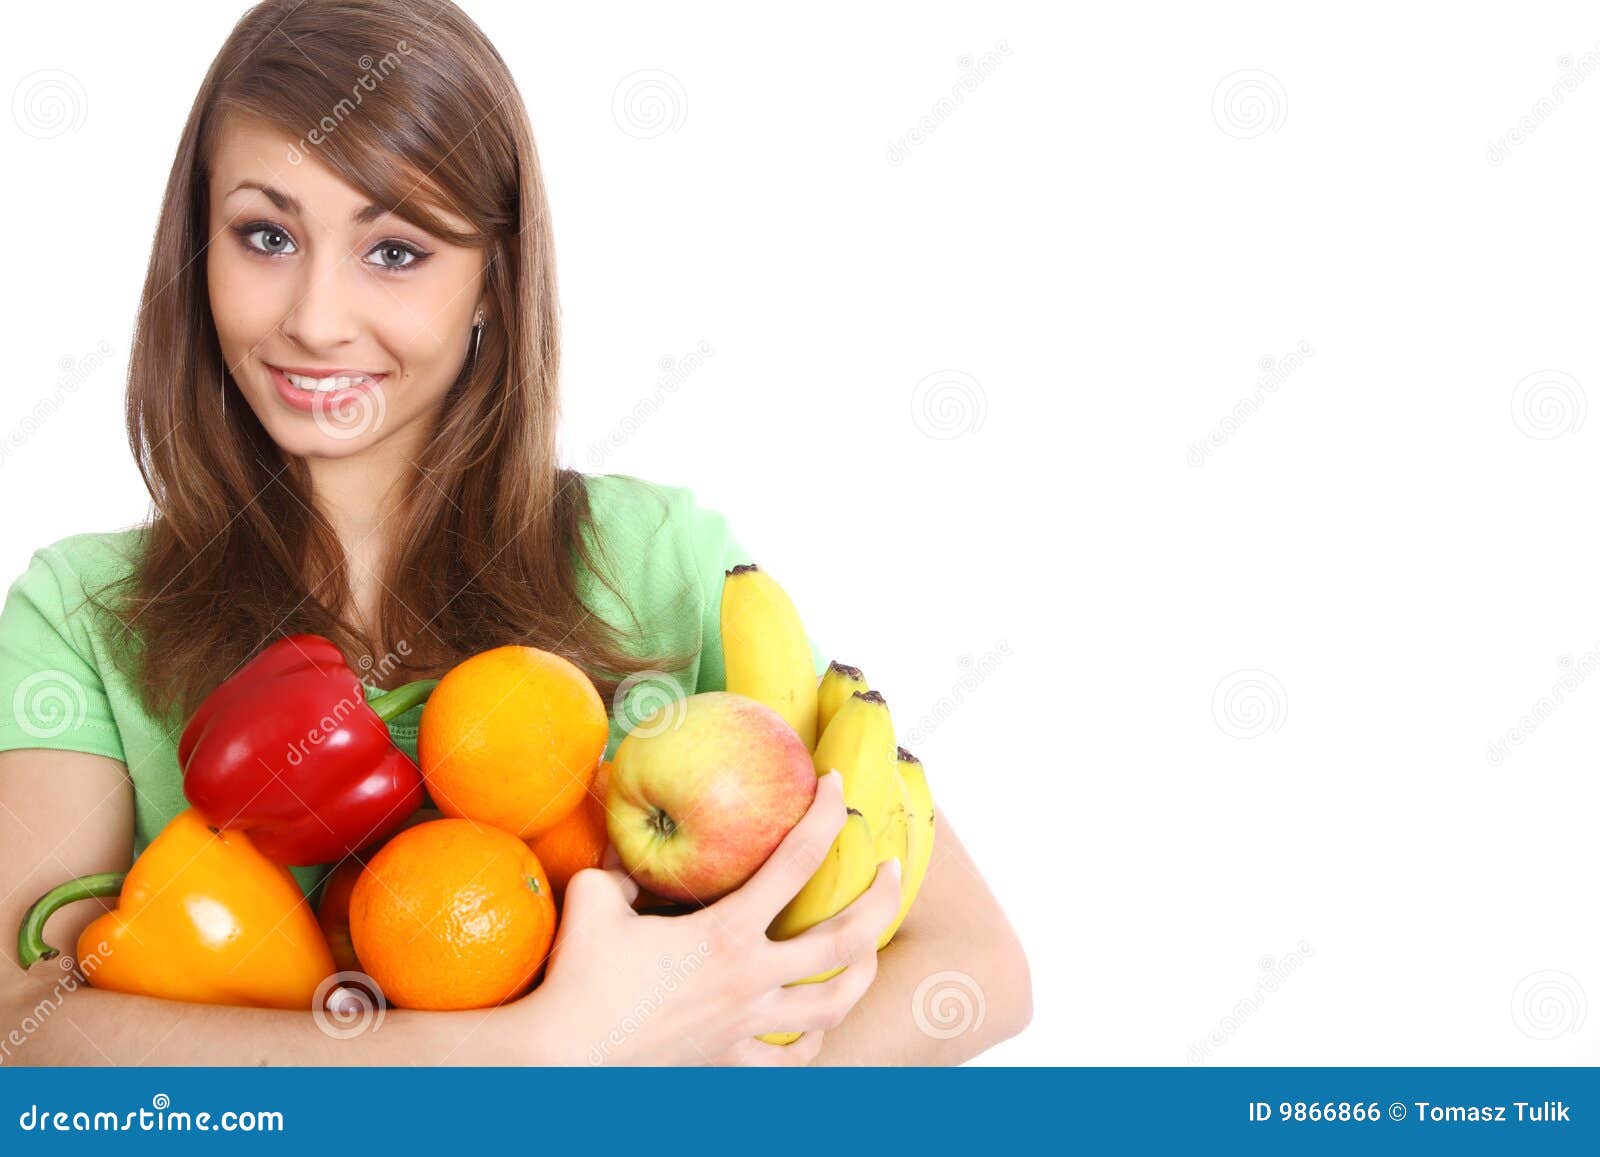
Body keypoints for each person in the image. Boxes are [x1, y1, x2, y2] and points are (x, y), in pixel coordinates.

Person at [0, 0, 1030, 1065]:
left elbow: (975, 964)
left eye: (394, 251)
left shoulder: (652, 555)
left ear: (493, 277)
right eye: (266, 235)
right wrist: (541, 1052)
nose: (313, 316)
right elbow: (15, 1033)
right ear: (195, 247)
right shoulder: (82, 613)